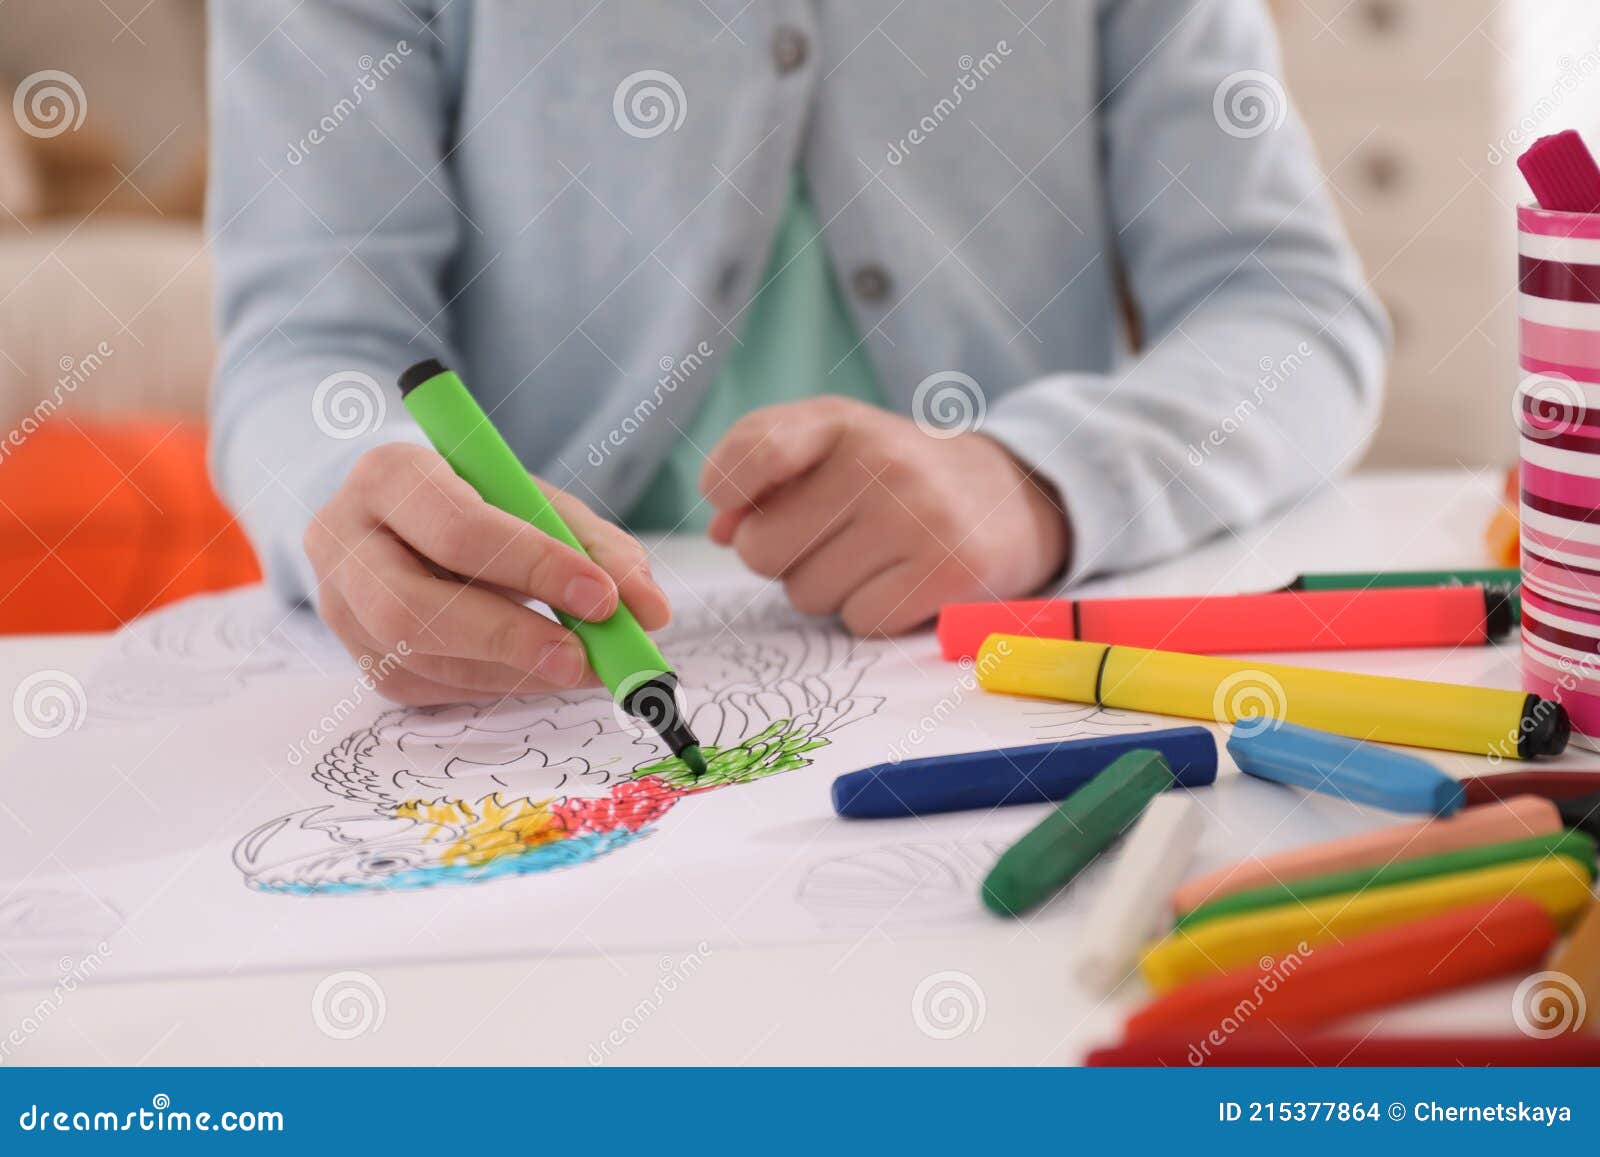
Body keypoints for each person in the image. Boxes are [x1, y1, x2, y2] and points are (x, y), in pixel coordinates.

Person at [208, 1, 1387, 706]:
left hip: (1014, 673)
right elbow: (309, 343)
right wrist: (352, 495)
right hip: (533, 696)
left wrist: (1036, 482)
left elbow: (1290, 311)